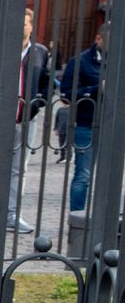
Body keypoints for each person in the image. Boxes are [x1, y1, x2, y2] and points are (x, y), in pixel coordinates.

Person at [11, 8, 51, 233]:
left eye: (24, 24)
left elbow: (47, 82)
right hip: (0, 119)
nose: (20, 28)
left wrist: (38, 103)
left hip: (27, 118)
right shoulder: (2, 48)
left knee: (19, 169)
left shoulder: (40, 52)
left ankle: (12, 214)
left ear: (31, 26)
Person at [61, 25, 105, 213]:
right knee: (83, 175)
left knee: (111, 177)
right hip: (87, 125)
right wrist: (96, 89)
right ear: (98, 39)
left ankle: (106, 221)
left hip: (115, 127)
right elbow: (66, 94)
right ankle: (76, 218)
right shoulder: (80, 61)